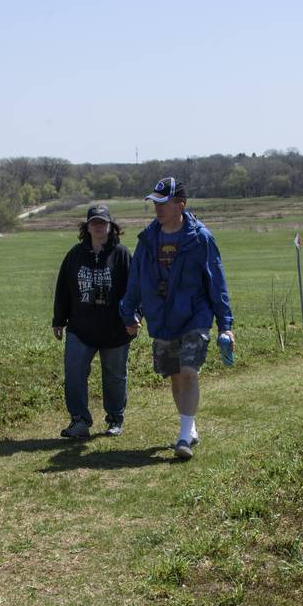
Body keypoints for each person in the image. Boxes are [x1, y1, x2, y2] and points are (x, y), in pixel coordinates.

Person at [119, 177, 233, 460]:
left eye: (164, 202)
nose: (157, 208)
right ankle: (189, 427)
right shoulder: (147, 240)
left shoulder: (201, 239)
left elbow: (216, 282)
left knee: (188, 371)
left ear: (181, 204)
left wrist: (226, 326)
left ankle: (183, 437)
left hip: (195, 315)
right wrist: (129, 312)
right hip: (162, 317)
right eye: (155, 203)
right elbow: (135, 281)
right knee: (175, 376)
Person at [53, 205, 134, 437]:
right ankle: (79, 421)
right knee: (74, 374)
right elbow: (63, 289)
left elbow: (134, 289)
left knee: (115, 376)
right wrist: (58, 320)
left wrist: (134, 316)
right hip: (80, 328)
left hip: (115, 329)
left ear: (111, 226)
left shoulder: (121, 254)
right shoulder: (75, 255)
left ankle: (115, 419)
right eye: (94, 222)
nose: (98, 226)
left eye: (103, 222)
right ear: (87, 227)